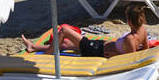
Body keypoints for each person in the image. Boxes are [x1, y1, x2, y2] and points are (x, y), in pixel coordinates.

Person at [22, 5, 150, 58]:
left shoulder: (130, 39)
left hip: (95, 50)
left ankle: (45, 58)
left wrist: (114, 56)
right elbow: (145, 49)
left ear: (129, 21)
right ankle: (33, 46)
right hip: (98, 46)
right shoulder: (142, 31)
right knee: (65, 44)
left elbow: (131, 61)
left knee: (64, 31)